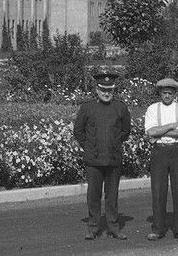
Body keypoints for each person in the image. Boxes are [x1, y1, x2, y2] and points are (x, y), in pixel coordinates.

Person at [73, 68, 132, 240]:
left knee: (112, 196)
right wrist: (89, 147)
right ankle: (93, 228)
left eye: (110, 90)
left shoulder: (120, 107)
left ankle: (114, 227)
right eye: (103, 89)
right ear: (97, 90)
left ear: (113, 90)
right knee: (94, 196)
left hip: (113, 159)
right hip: (94, 160)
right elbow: (78, 131)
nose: (106, 93)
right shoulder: (87, 107)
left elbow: (126, 131)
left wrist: (114, 144)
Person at [144, 77, 178, 241]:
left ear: (175, 94)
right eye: (164, 93)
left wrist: (160, 131)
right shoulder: (152, 109)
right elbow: (150, 132)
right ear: (159, 93)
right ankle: (158, 229)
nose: (166, 96)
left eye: (170, 93)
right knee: (158, 191)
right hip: (159, 152)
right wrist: (172, 126)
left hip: (177, 151)